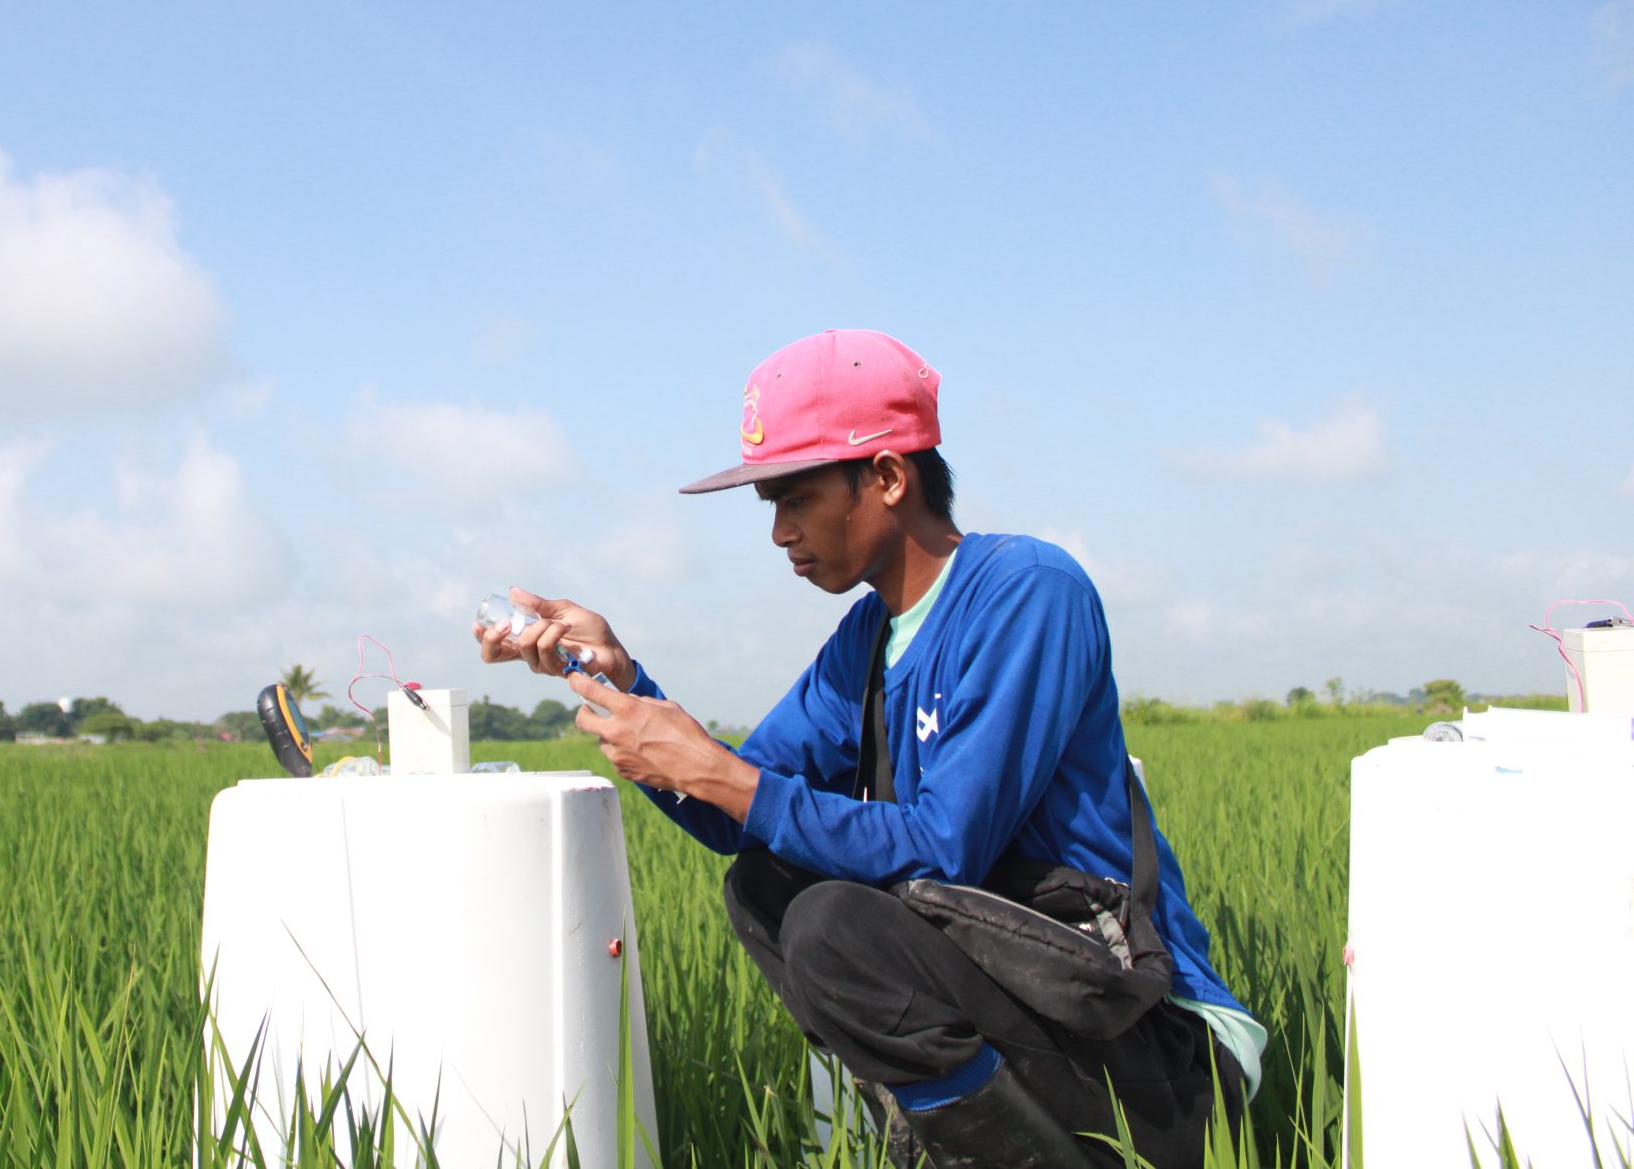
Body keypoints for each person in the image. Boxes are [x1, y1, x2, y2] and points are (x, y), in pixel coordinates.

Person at [474, 329, 1263, 1169]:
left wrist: (725, 774)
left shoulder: (1027, 590)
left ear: (888, 476)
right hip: (1037, 1006)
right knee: (768, 884)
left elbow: (945, 846)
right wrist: (625, 681)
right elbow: (741, 815)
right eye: (770, 505)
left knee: (834, 923)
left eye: (797, 498)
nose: (780, 531)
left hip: (1148, 1038)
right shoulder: (867, 641)